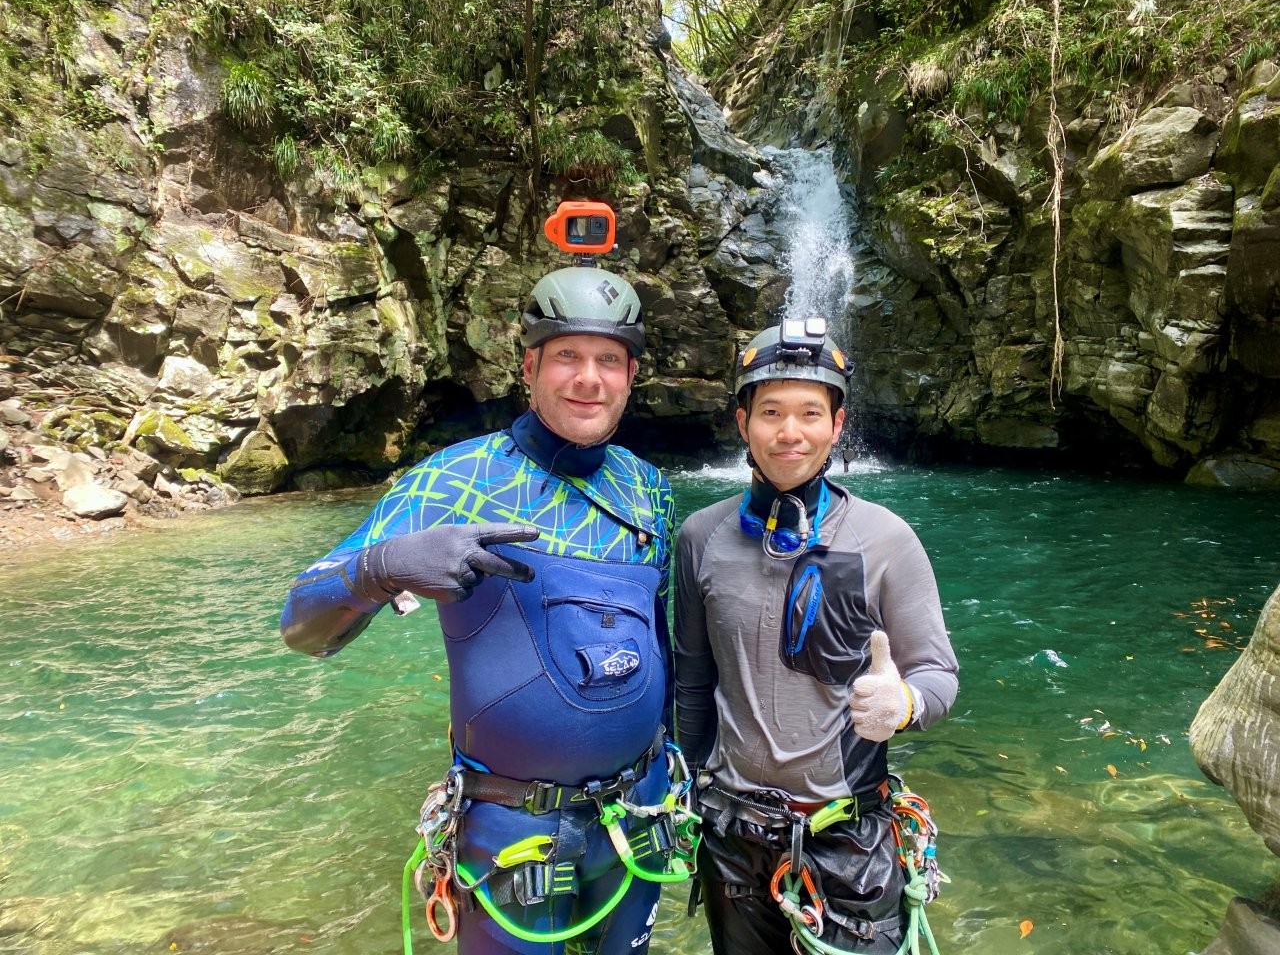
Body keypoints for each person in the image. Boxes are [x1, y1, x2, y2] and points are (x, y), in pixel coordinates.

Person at [279, 264, 697, 955]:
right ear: (529, 365)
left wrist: (682, 769)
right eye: (567, 356)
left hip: (639, 808)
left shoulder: (646, 486)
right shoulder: (455, 478)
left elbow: (659, 639)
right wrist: (379, 569)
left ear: (630, 377)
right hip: (512, 825)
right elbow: (302, 628)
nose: (588, 378)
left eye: (608, 361)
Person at [674, 317, 959, 955]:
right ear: (742, 422)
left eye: (810, 412)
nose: (790, 432)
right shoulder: (700, 537)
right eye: (771, 411)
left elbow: (938, 675)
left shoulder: (886, 539)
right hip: (731, 835)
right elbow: (694, 682)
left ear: (837, 424)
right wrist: (685, 790)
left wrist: (904, 704)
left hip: (847, 840)